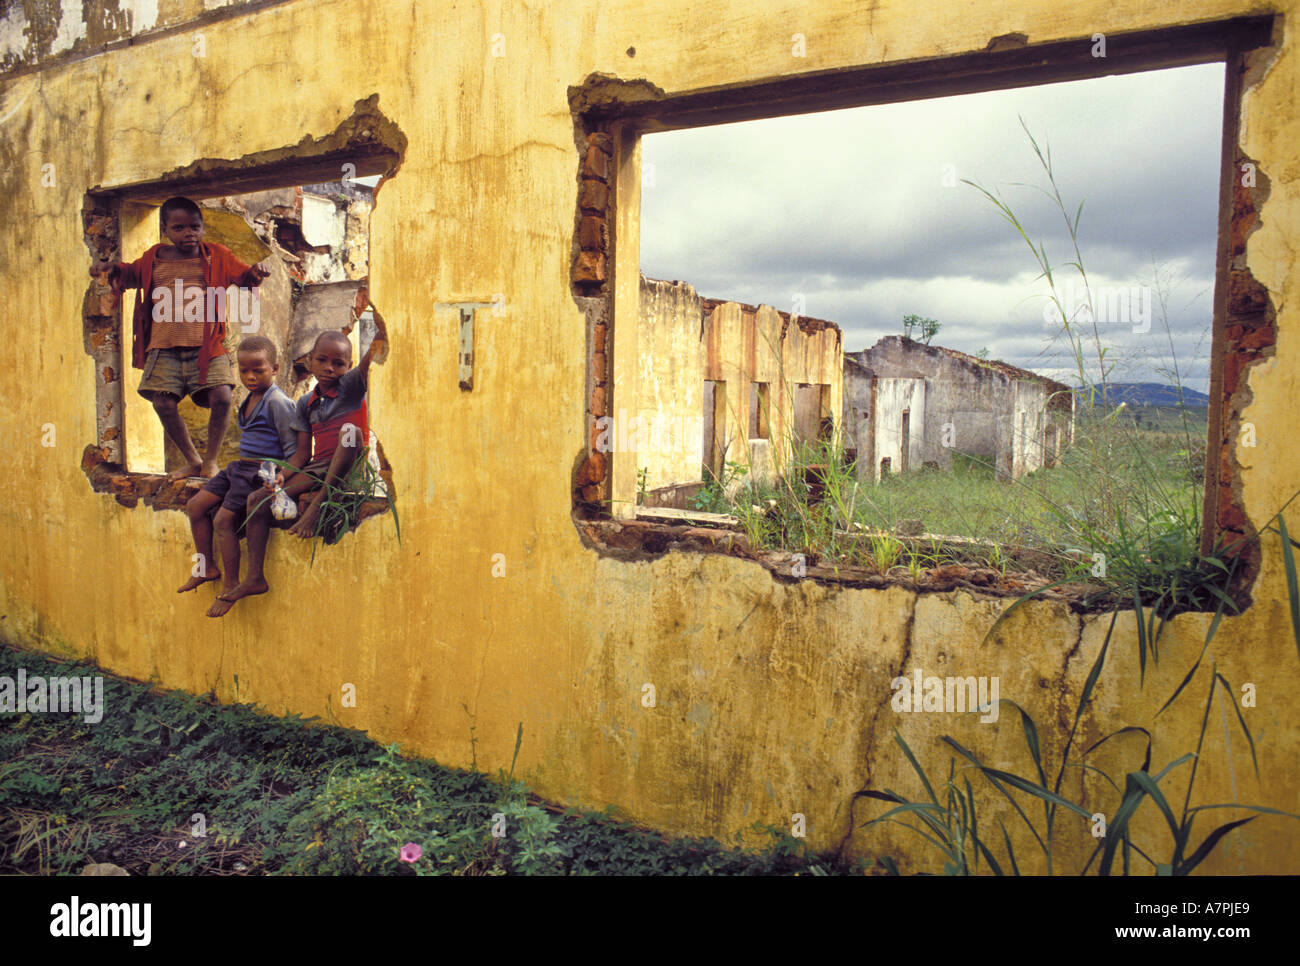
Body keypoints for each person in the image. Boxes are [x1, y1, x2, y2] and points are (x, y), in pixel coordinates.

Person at [92, 196, 270, 480]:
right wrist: (111, 269)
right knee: (162, 403)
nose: (189, 233)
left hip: (207, 346)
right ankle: (193, 460)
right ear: (165, 230)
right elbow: (130, 273)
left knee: (223, 396)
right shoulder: (154, 257)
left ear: (202, 228)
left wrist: (256, 273)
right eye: (179, 228)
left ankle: (211, 462)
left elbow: (244, 276)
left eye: (195, 227)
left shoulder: (216, 255)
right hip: (164, 348)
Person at [217, 327, 384, 609]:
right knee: (257, 500)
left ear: (350, 367)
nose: (329, 368)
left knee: (349, 431)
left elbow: (371, 358)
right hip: (320, 467)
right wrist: (282, 477)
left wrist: (383, 324)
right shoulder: (306, 403)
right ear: (310, 362)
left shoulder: (352, 388)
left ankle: (318, 504)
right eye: (322, 360)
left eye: (339, 363)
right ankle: (255, 577)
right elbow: (303, 454)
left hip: (351, 467)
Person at [178, 336, 299, 618]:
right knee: (195, 507)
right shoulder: (249, 398)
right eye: (244, 370)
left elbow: (293, 450)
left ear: (275, 368)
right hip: (238, 467)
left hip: (258, 473)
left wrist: (280, 478)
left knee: (223, 519)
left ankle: (232, 584)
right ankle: (205, 567)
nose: (250, 376)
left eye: (258, 370)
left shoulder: (278, 403)